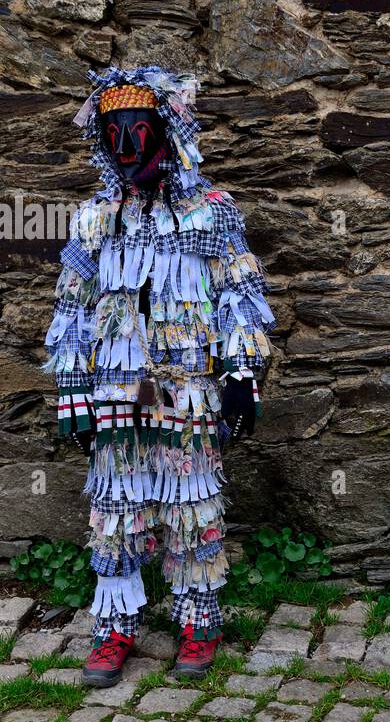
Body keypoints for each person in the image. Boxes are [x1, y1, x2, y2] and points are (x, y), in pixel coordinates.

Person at [43, 66, 276, 687]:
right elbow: (71, 306)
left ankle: (200, 621)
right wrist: (71, 387)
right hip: (116, 388)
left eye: (138, 131)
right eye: (112, 133)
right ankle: (113, 628)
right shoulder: (95, 218)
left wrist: (242, 373)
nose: (126, 147)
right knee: (115, 506)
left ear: (168, 132)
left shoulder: (211, 213)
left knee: (191, 502)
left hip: (187, 386)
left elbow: (239, 294)